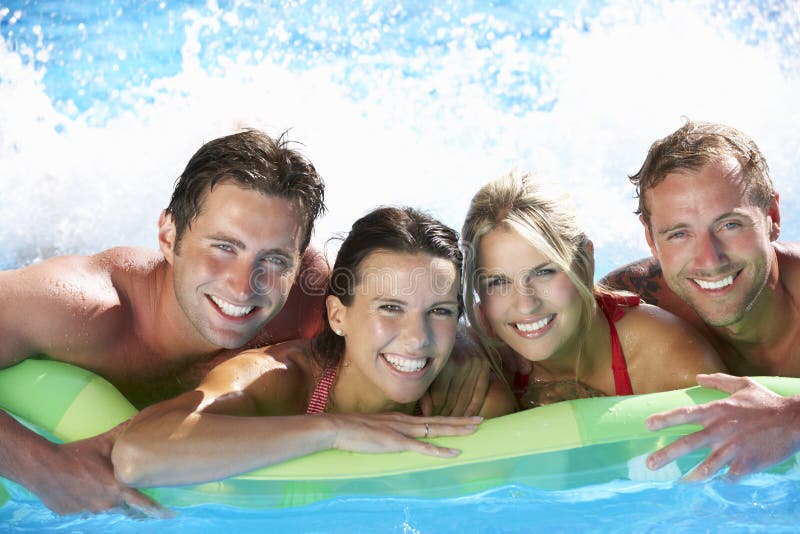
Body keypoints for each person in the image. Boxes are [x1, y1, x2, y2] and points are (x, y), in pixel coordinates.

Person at [0, 129, 328, 515]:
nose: (244, 286)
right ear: (168, 236)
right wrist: (43, 466)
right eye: (224, 247)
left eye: (274, 259)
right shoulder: (77, 308)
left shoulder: (310, 301)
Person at [111, 207, 515, 486]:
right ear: (338, 316)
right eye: (390, 308)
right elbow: (136, 455)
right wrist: (333, 430)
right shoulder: (276, 381)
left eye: (440, 312)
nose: (418, 338)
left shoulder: (471, 399)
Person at [601, 119, 800, 481]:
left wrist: (791, 417)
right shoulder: (634, 300)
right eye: (679, 234)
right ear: (651, 240)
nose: (710, 260)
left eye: (729, 225)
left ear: (772, 216)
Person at [460, 171, 724, 408]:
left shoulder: (668, 360)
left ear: (585, 261)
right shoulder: (478, 363)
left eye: (544, 272)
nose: (526, 305)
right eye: (497, 282)